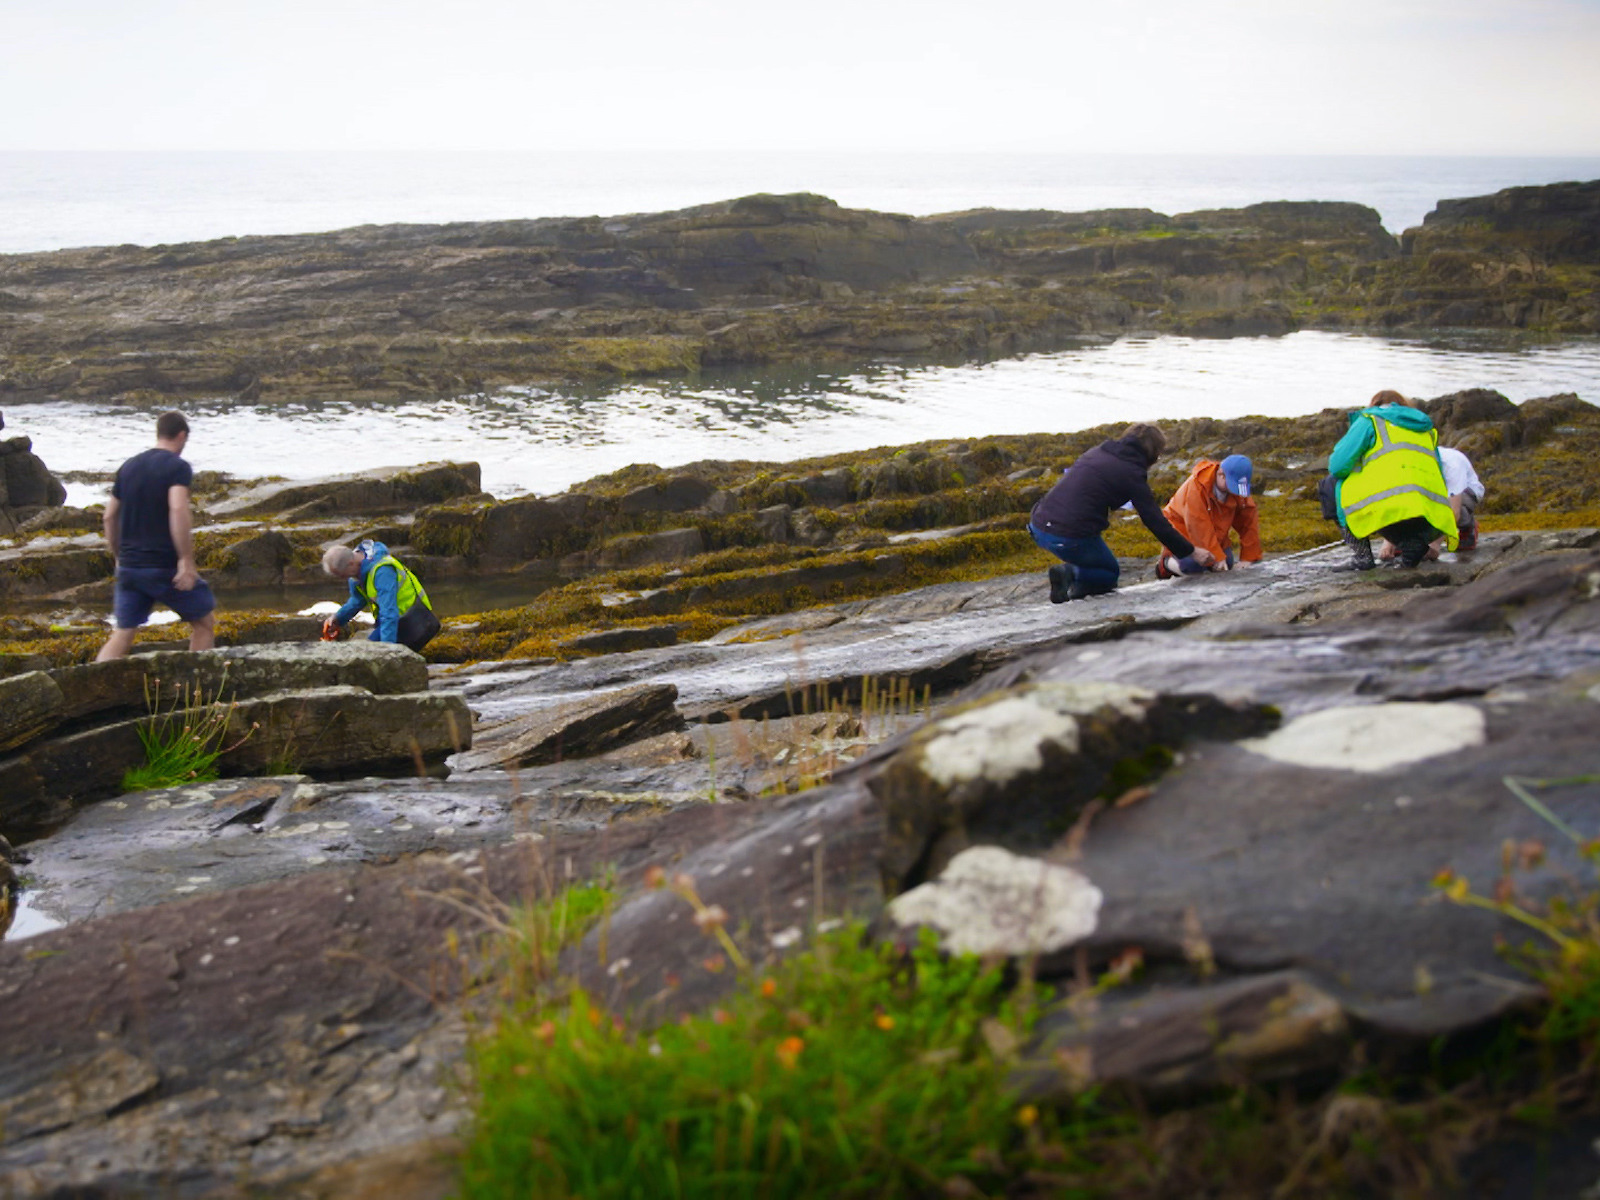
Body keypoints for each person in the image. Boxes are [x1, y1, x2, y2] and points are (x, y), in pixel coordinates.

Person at [1028, 423, 1214, 602]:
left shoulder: (1098, 451)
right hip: (1068, 537)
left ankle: (1073, 589)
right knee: (1108, 574)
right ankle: (1070, 575)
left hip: (1038, 524)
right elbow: (1155, 521)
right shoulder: (1132, 473)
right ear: (1153, 454)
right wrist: (1191, 551)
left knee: (1094, 564)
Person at [95, 411, 216, 662]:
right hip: (163, 566)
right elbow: (178, 508)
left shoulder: (128, 466)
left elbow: (109, 516)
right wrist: (185, 560)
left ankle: (85, 689)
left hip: (129, 567)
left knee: (123, 634)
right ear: (182, 436)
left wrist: (119, 556)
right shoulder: (177, 467)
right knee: (204, 623)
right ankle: (194, 692)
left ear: (159, 433)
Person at [1328, 390, 1457, 570]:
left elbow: (1337, 466)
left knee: (1330, 485)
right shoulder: (1424, 428)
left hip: (1391, 505)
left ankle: (1362, 556)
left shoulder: (1370, 420)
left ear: (1374, 405)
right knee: (1402, 498)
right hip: (1431, 512)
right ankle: (1411, 543)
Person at [321, 539, 441, 652]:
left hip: (415, 620)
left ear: (351, 563)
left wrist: (386, 651)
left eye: (342, 575)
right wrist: (338, 618)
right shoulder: (358, 572)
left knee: (370, 653)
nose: (344, 579)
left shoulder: (382, 572)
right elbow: (358, 600)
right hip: (395, 619)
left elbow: (389, 612)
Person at [1153, 454, 1262, 578]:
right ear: (1221, 474)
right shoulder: (1197, 487)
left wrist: (1248, 558)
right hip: (1181, 530)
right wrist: (1217, 557)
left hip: (1214, 533)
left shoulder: (1237, 489)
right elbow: (1198, 525)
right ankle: (1165, 564)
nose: (1236, 491)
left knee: (1228, 563)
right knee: (1193, 567)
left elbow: (1248, 522)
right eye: (1233, 485)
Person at [1380, 444, 1484, 560]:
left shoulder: (1452, 464)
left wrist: (1434, 544)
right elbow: (1401, 502)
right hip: (1434, 492)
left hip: (1466, 491)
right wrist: (1390, 541)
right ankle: (1410, 539)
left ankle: (1467, 527)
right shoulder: (1410, 464)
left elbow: (1454, 513)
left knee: (1454, 507)